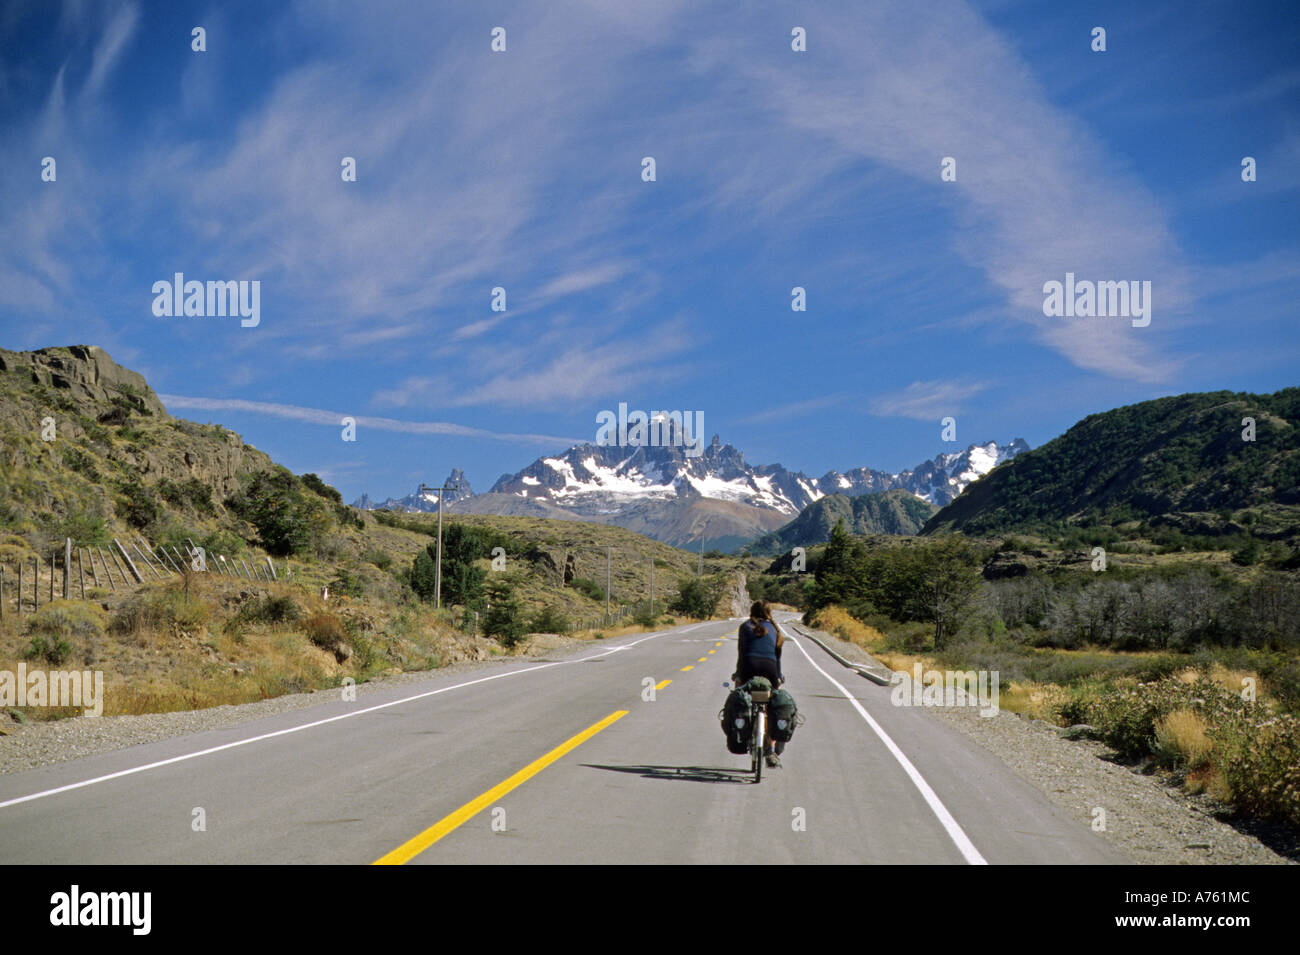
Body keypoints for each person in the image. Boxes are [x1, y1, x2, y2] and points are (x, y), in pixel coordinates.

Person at [733, 600, 786, 768]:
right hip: (770, 669)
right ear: (769, 612)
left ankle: (742, 725)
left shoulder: (744, 627)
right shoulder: (776, 629)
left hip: (748, 666)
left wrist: (738, 675)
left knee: (740, 695)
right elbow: (777, 659)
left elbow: (741, 654)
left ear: (752, 611)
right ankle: (771, 748)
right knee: (773, 703)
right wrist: (778, 677)